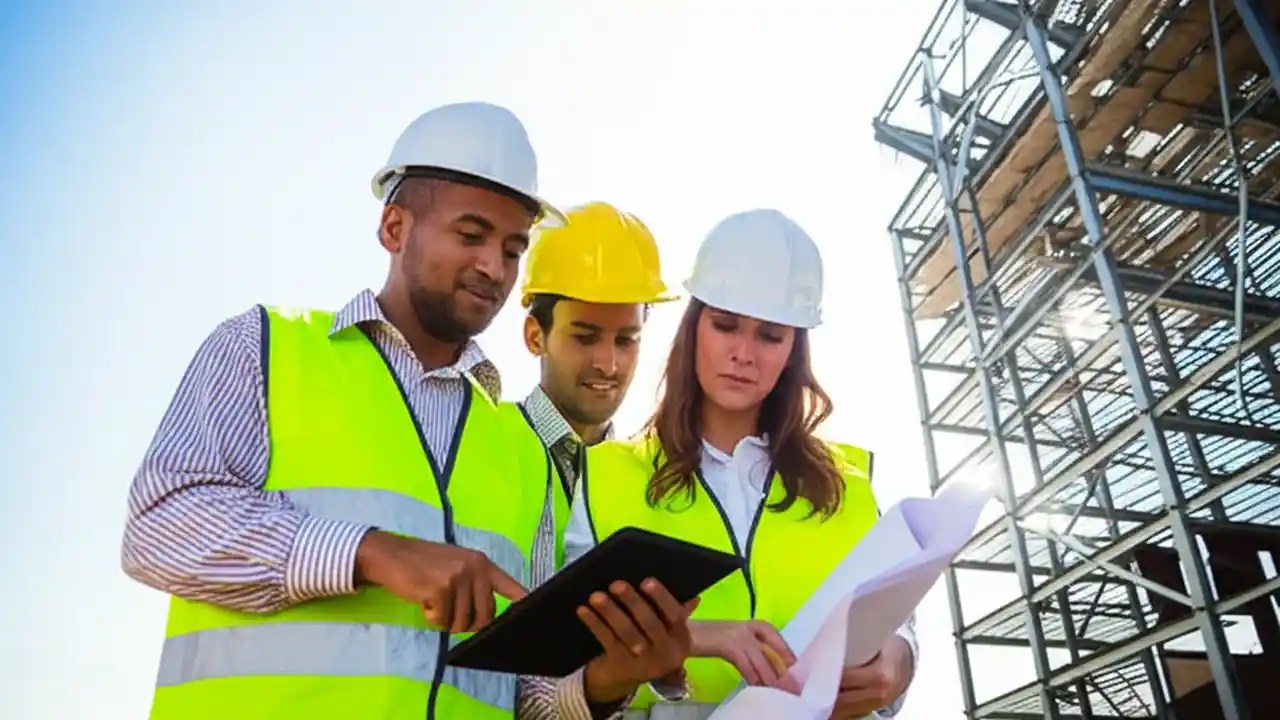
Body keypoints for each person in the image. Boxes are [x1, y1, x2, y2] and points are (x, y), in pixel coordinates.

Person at [120, 101, 694, 720]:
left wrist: (609, 679)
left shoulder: (523, 452)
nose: (492, 268)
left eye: (511, 248)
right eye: (470, 236)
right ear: (394, 228)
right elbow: (157, 528)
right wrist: (371, 552)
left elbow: (523, 694)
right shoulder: (264, 348)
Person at [567, 209, 919, 719]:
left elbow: (893, 617)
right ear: (693, 330)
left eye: (770, 335)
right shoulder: (607, 477)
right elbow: (569, 666)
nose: (743, 353)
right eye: (726, 326)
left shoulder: (849, 484)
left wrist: (900, 662)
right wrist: (690, 640)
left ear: (794, 348)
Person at [499, 202, 689, 717]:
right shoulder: (485, 444)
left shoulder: (650, 483)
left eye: (626, 341)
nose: (608, 363)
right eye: (585, 337)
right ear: (534, 335)